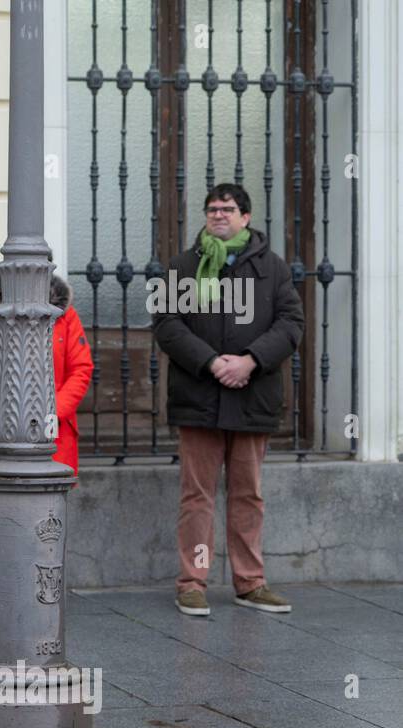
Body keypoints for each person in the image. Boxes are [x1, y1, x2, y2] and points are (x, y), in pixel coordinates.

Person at [153, 182, 303, 617]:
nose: (218, 215)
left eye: (228, 208)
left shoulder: (272, 269)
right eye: (212, 209)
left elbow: (292, 322)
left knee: (247, 494)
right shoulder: (182, 267)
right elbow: (166, 323)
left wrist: (251, 361)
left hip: (253, 398)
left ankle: (250, 583)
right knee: (196, 497)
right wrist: (212, 362)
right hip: (200, 397)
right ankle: (194, 582)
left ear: (245, 217)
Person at [0, 270, 93, 474]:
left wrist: (52, 410)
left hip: (54, 426)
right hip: (4, 426)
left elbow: (80, 369)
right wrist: (18, 411)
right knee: (3, 493)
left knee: (53, 494)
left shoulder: (67, 316)